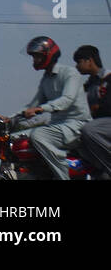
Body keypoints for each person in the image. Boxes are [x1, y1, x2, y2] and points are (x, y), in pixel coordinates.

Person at [13, 35, 90, 180]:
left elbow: (66, 100)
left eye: (37, 57)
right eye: (33, 57)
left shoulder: (69, 73)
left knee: (39, 135)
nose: (34, 60)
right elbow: (32, 106)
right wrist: (9, 118)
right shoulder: (46, 79)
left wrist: (41, 109)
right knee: (14, 139)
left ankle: (62, 176)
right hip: (56, 126)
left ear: (48, 55)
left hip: (76, 126)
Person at [74, 44, 111, 178]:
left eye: (79, 62)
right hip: (101, 124)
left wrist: (96, 109)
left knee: (88, 130)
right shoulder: (91, 83)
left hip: (105, 124)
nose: (77, 66)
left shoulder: (108, 79)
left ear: (89, 61)